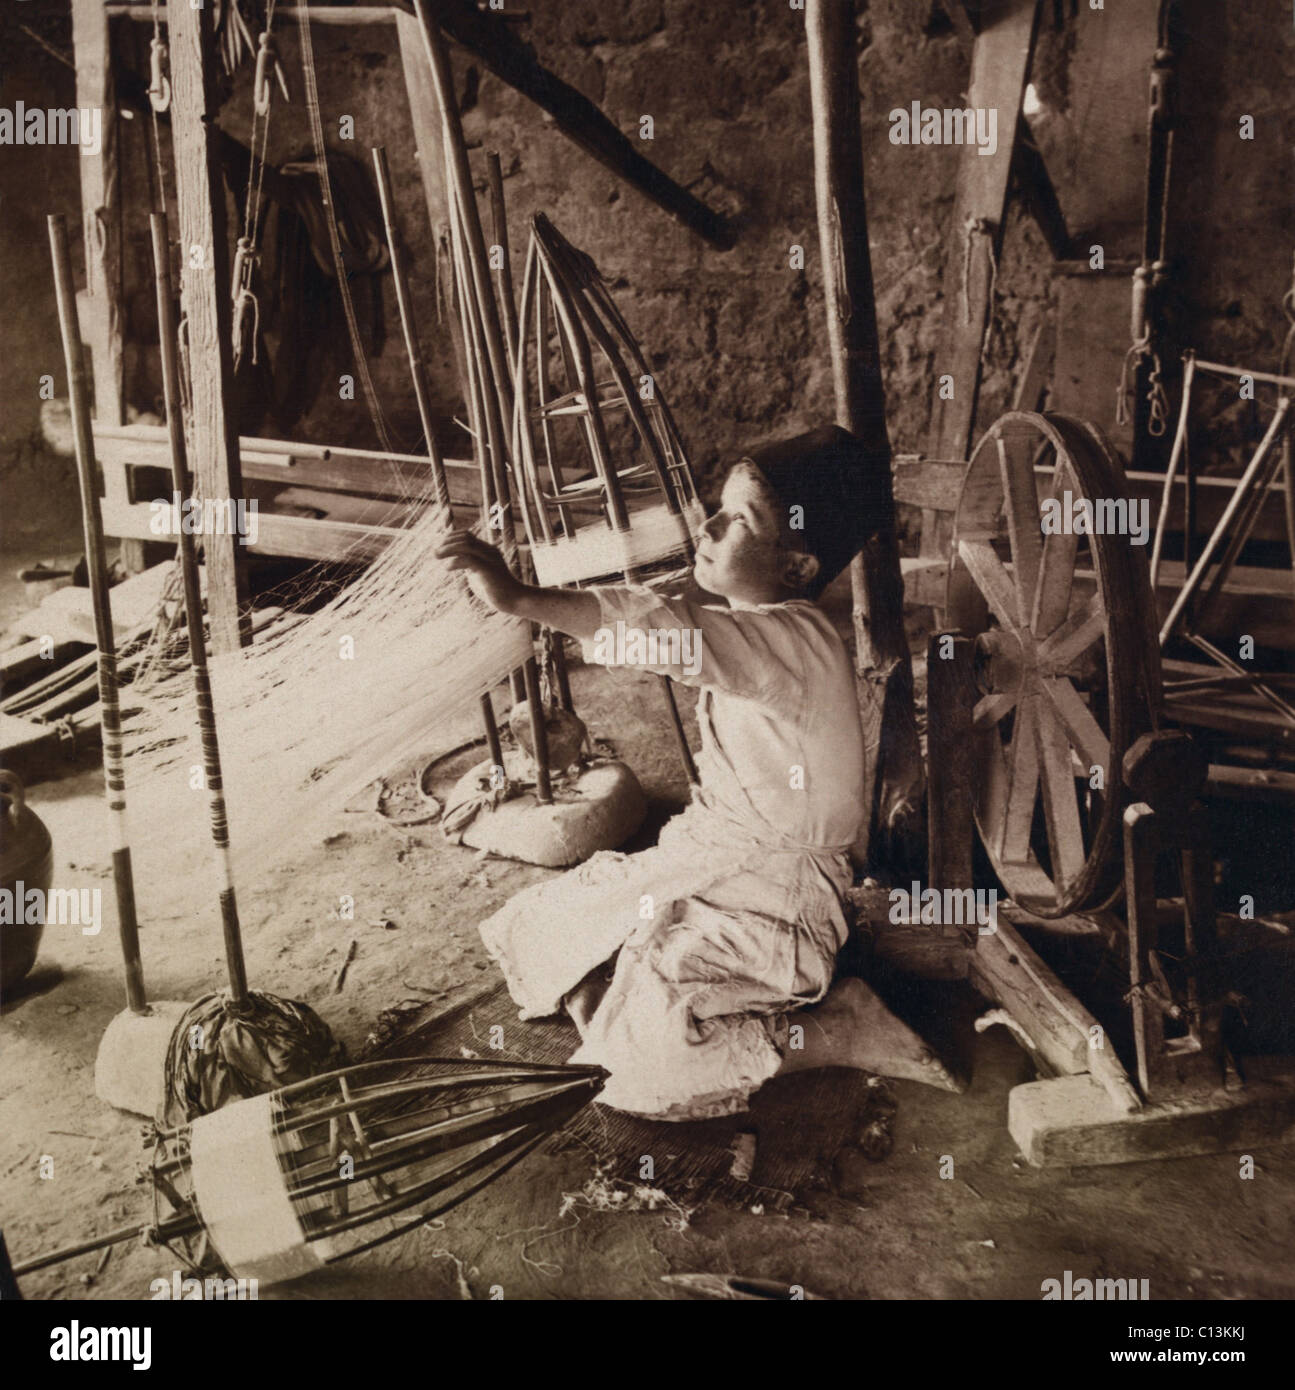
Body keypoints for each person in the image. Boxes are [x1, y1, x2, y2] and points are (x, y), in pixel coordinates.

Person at [435, 426, 957, 1120]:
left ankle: (838, 1032)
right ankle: (635, 992)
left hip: (779, 897)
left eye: (738, 521)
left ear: (797, 567)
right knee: (532, 928)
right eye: (718, 506)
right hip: (717, 853)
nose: (707, 527)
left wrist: (524, 599)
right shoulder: (762, 625)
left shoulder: (790, 643)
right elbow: (680, 633)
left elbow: (666, 633)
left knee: (637, 1067)